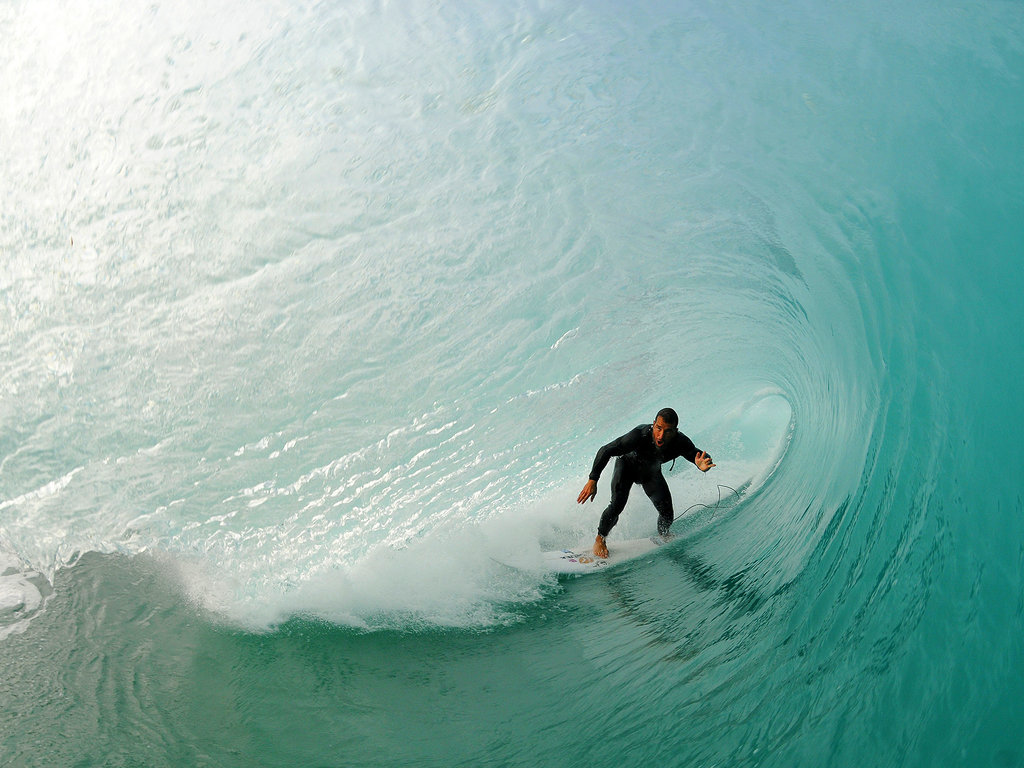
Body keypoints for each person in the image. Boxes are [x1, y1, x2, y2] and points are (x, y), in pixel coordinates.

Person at [577, 407, 715, 558]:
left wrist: (702, 465)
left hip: (650, 474)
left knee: (667, 513)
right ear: (654, 424)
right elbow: (606, 450)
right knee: (617, 505)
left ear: (675, 431)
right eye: (658, 428)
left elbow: (698, 455)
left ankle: (664, 534)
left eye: (667, 431)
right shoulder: (639, 435)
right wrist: (593, 479)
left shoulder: (680, 442)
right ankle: (600, 538)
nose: (661, 435)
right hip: (626, 468)